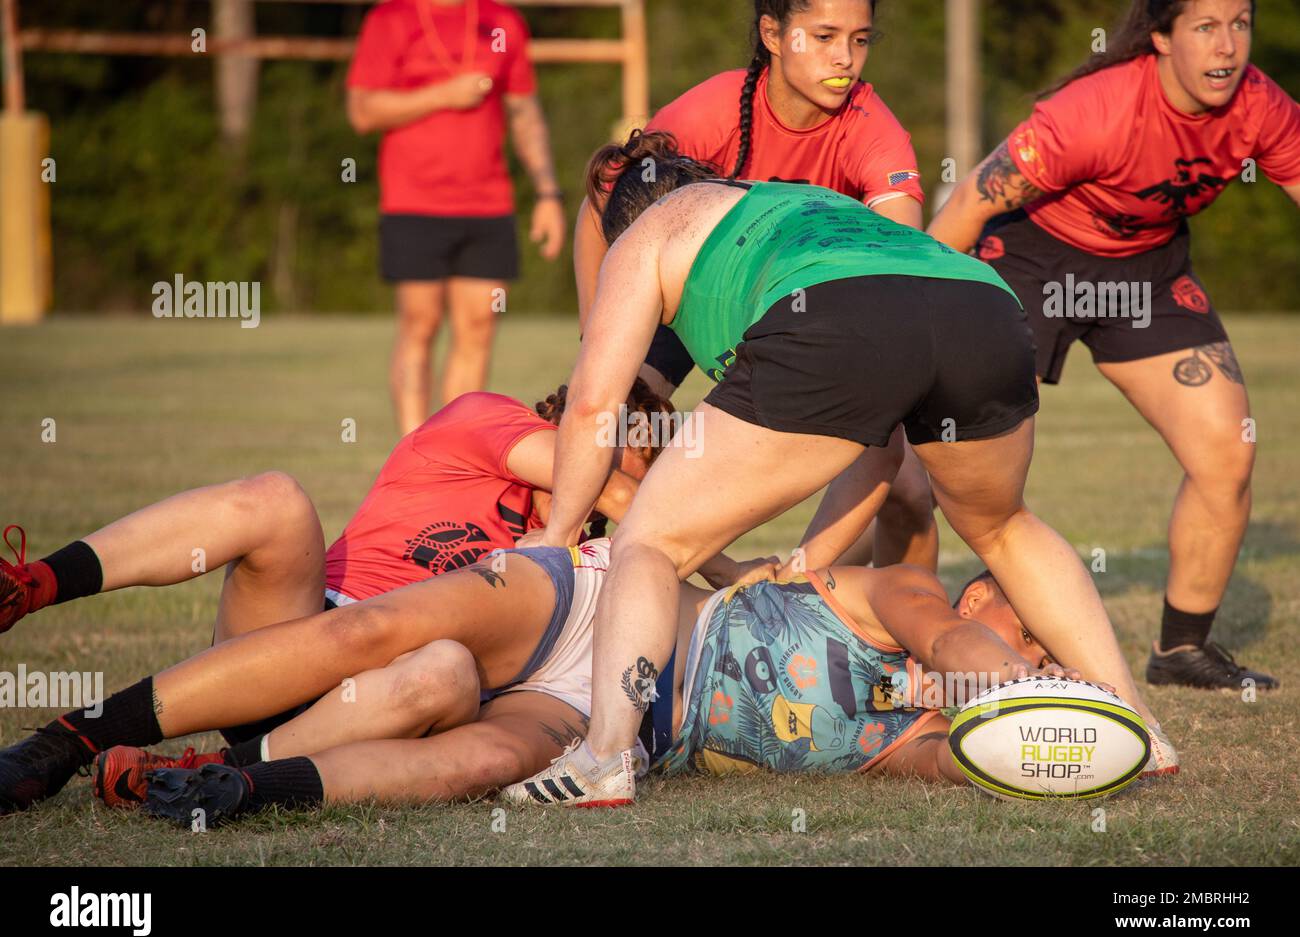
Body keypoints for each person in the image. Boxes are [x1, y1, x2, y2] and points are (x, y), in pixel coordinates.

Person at [501, 133, 1176, 807]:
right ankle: (1140, 731)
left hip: (839, 314)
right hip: (983, 305)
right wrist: (807, 563)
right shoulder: (793, 201)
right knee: (1003, 526)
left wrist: (559, 531)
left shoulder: (645, 233)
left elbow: (594, 404)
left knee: (649, 541)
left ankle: (604, 760)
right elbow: (876, 442)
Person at [0, 383, 678, 813]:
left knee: (447, 666)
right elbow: (614, 494)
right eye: (616, 471)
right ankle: (31, 588)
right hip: (296, 634)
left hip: (364, 708)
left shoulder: (562, 565)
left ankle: (206, 773)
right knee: (277, 500)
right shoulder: (484, 418)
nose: (612, 510)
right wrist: (694, 536)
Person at [117, 560, 1132, 825]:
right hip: (588, 606)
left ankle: (244, 790)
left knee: (482, 760)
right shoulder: (909, 595)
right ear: (985, 588)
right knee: (370, 630)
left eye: (1045, 657)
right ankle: (84, 732)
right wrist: (1005, 679)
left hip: (613, 721)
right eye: (1034, 632)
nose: (1037, 658)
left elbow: (969, 758)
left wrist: (1057, 742)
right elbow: (960, 642)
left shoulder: (907, 729)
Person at [927, 0, 1298, 690]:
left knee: (1228, 449)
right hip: (1030, 255)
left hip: (1148, 269)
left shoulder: (1260, 107)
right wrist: (911, 307)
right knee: (960, 463)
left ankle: (1181, 650)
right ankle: (897, 619)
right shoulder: (1094, 111)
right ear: (1160, 37)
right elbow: (974, 200)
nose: (1227, 46)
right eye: (1205, 27)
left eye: (1240, 24)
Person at [574, 0, 938, 570]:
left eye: (860, 40)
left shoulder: (873, 128)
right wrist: (597, 337)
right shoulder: (710, 112)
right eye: (823, 36)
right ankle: (585, 590)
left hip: (807, 314)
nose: (844, 58)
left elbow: (901, 261)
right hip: (695, 293)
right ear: (773, 33)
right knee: (617, 429)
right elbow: (602, 206)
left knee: (911, 494)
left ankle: (857, 631)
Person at [347, 0, 567, 434]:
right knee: (420, 323)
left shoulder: (503, 21)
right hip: (413, 203)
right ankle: (411, 451)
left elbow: (524, 113)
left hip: (489, 203)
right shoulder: (390, 19)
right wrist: (442, 95)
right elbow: (362, 111)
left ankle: (450, 452)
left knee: (478, 326)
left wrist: (547, 193)